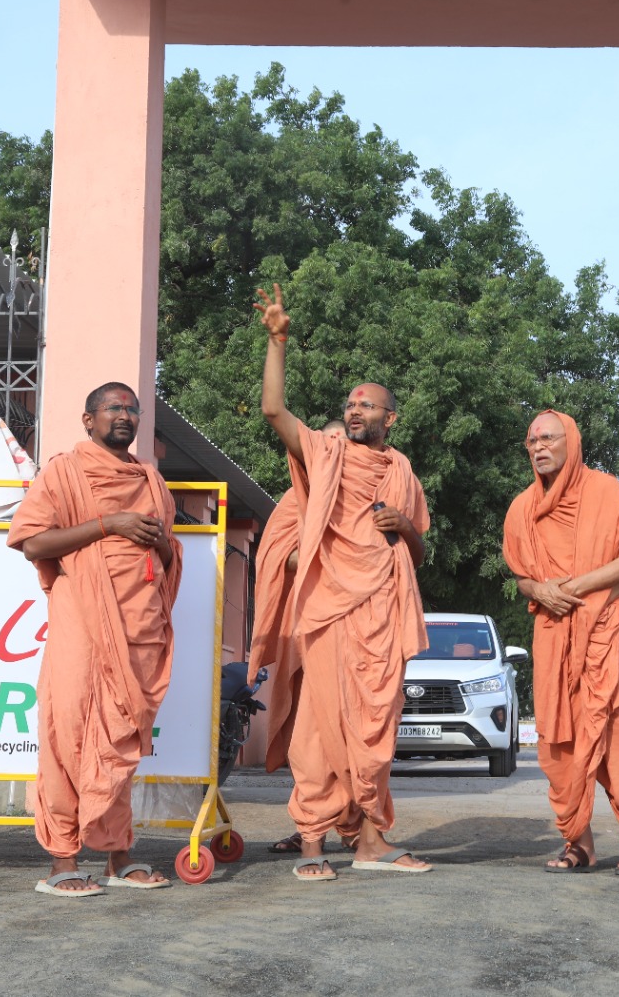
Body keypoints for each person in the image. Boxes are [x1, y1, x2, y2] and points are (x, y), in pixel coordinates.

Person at [255, 283, 434, 880]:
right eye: (350, 404)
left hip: (383, 614)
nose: (354, 411)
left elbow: (420, 549)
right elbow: (275, 412)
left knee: (376, 729)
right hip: (332, 608)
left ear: (390, 418)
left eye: (367, 405)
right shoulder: (325, 454)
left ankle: (372, 844)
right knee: (319, 728)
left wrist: (405, 525)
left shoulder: (403, 470)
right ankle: (311, 842)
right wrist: (278, 341)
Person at [7, 382, 183, 897]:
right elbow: (33, 541)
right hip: (81, 623)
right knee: (69, 732)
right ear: (89, 420)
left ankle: (118, 858)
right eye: (114, 408)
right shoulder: (63, 473)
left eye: (132, 408)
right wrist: (109, 524)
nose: (124, 416)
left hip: (137, 628)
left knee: (120, 739)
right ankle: (63, 860)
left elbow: (166, 554)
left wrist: (160, 547)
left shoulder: (150, 478)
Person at [503, 409, 619, 875]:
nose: (538, 447)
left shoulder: (607, 492)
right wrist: (540, 590)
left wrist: (575, 587)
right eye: (531, 440)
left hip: (613, 627)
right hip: (556, 633)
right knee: (560, 738)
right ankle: (579, 842)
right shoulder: (521, 508)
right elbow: (523, 578)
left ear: (571, 442)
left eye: (548, 438)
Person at [251, 420, 363, 856]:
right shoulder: (294, 502)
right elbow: (277, 555)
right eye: (326, 442)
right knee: (311, 737)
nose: (334, 450)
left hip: (358, 639)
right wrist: (331, 554)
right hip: (308, 638)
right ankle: (310, 825)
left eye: (342, 444)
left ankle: (355, 825)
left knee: (356, 737)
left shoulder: (365, 501)